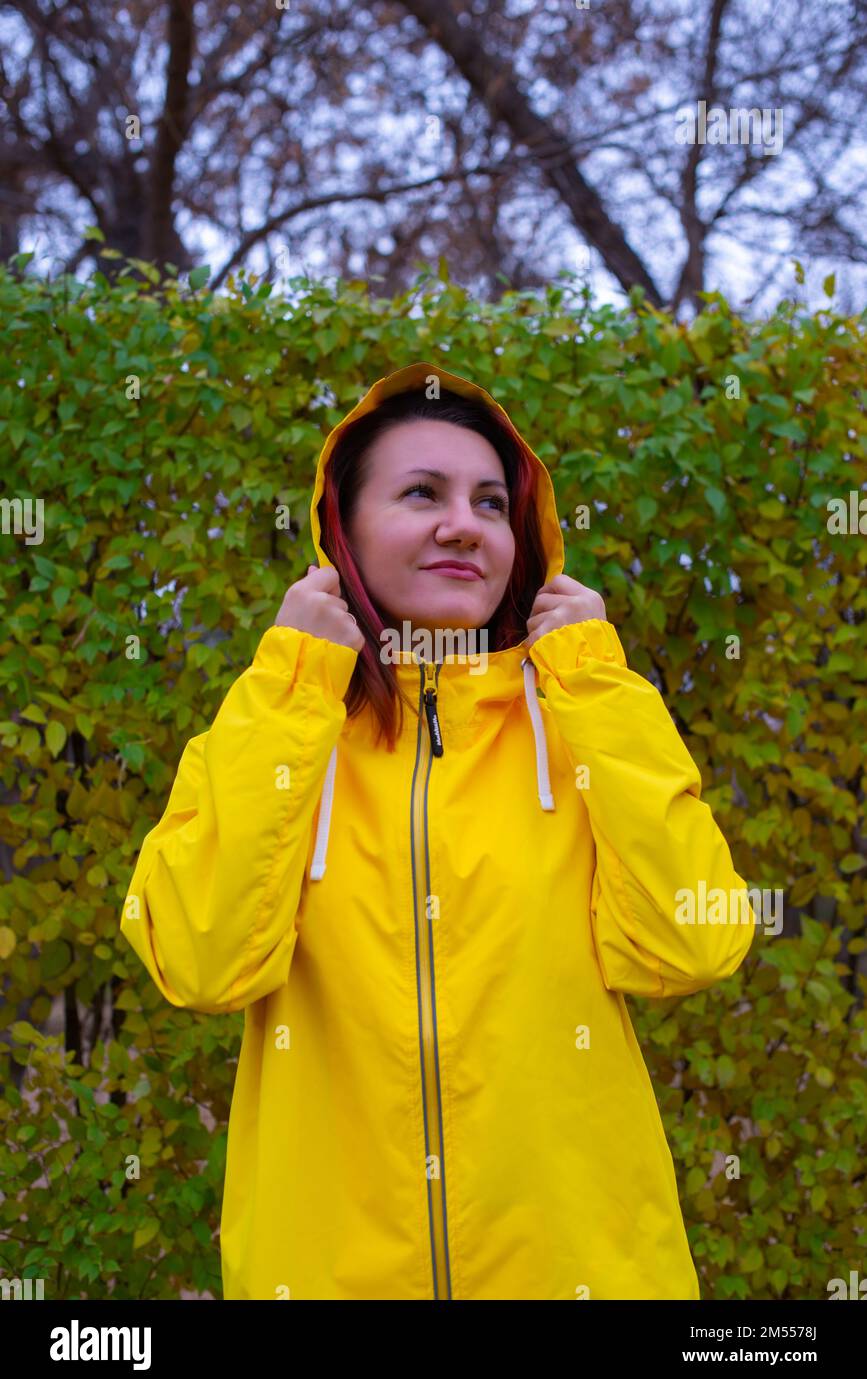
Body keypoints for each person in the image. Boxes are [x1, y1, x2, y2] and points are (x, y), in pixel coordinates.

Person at [120, 360, 755, 1300]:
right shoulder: (279, 726)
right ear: (343, 531)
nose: (465, 523)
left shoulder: (578, 719)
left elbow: (692, 944)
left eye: (492, 503)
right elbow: (203, 960)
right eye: (421, 493)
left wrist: (593, 680)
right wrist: (296, 682)